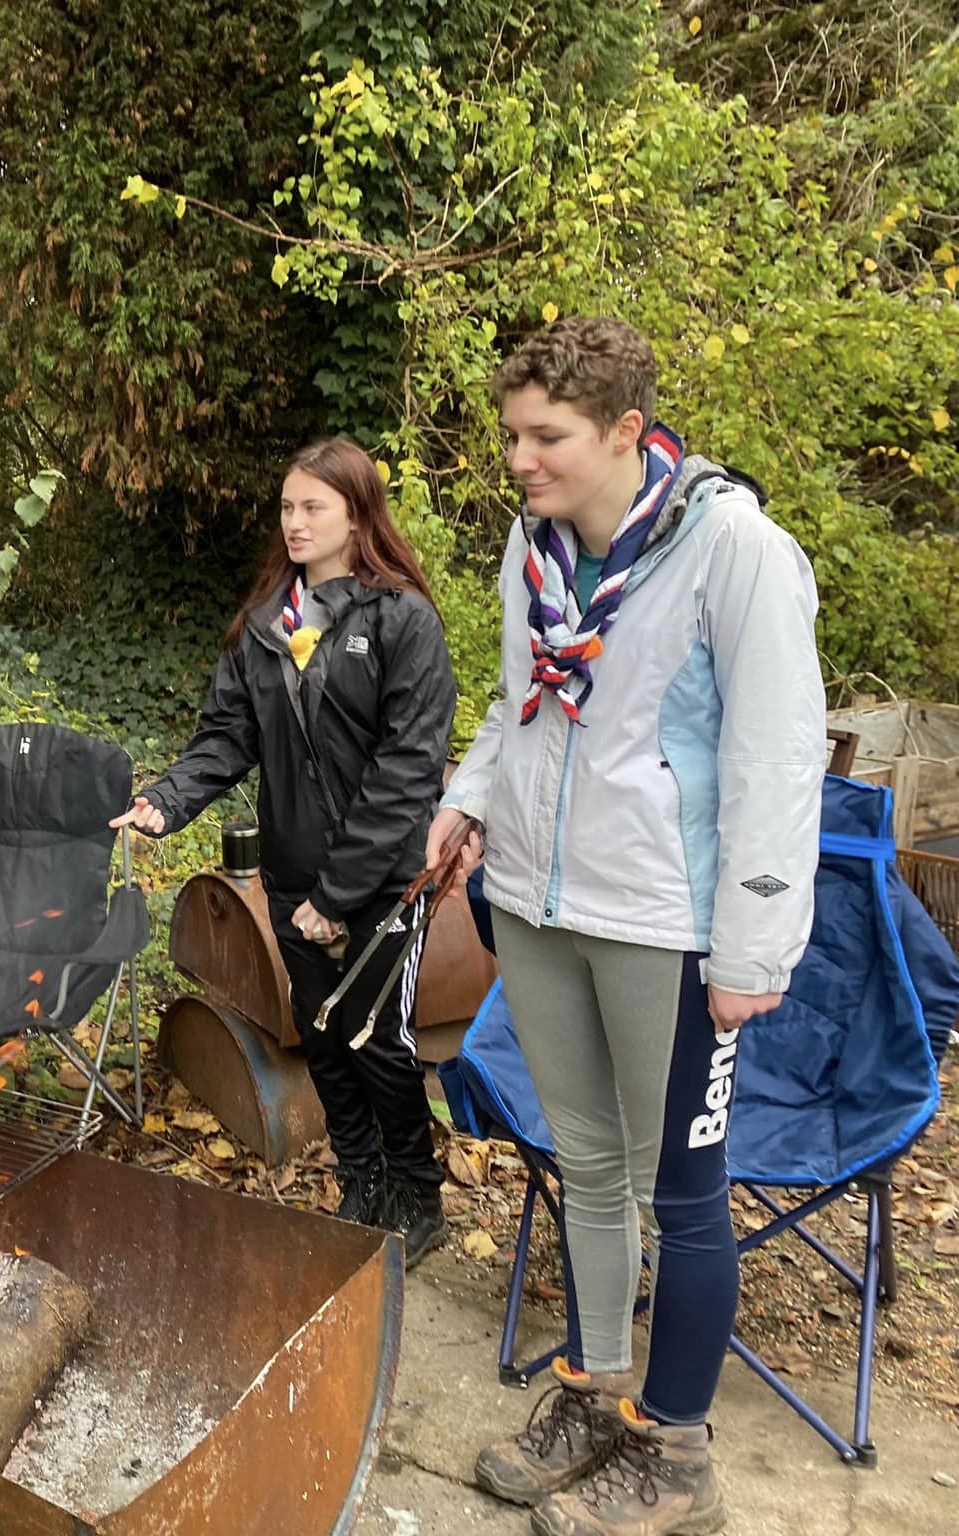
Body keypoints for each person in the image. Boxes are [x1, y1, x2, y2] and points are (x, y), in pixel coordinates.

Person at [429, 318, 825, 1536]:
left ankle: (676, 1456)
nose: (518, 460)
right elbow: (516, 704)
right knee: (586, 1164)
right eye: (510, 435)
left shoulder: (732, 549)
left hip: (669, 923)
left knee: (682, 1194)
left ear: (621, 432)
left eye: (544, 437)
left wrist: (752, 948)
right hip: (540, 903)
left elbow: (775, 756)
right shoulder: (532, 546)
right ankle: (596, 1391)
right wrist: (465, 799)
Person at [113, 435, 457, 1263]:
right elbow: (225, 737)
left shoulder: (402, 620)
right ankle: (360, 1182)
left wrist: (337, 897)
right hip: (293, 876)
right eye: (286, 508)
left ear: (357, 515)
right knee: (324, 1042)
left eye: (313, 507)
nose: (294, 523)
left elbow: (407, 771)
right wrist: (167, 799)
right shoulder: (270, 625)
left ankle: (417, 1198)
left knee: (379, 1045)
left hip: (382, 885)